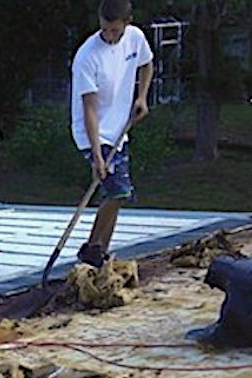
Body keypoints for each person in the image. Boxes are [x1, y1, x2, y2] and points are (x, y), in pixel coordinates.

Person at [70, 0, 154, 267]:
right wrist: (97, 156)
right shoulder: (87, 56)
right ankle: (91, 250)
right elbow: (90, 110)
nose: (109, 36)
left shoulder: (135, 38)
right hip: (92, 133)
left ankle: (100, 252)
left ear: (126, 24)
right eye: (104, 30)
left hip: (120, 129)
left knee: (118, 194)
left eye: (115, 31)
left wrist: (141, 97)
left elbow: (147, 64)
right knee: (118, 190)